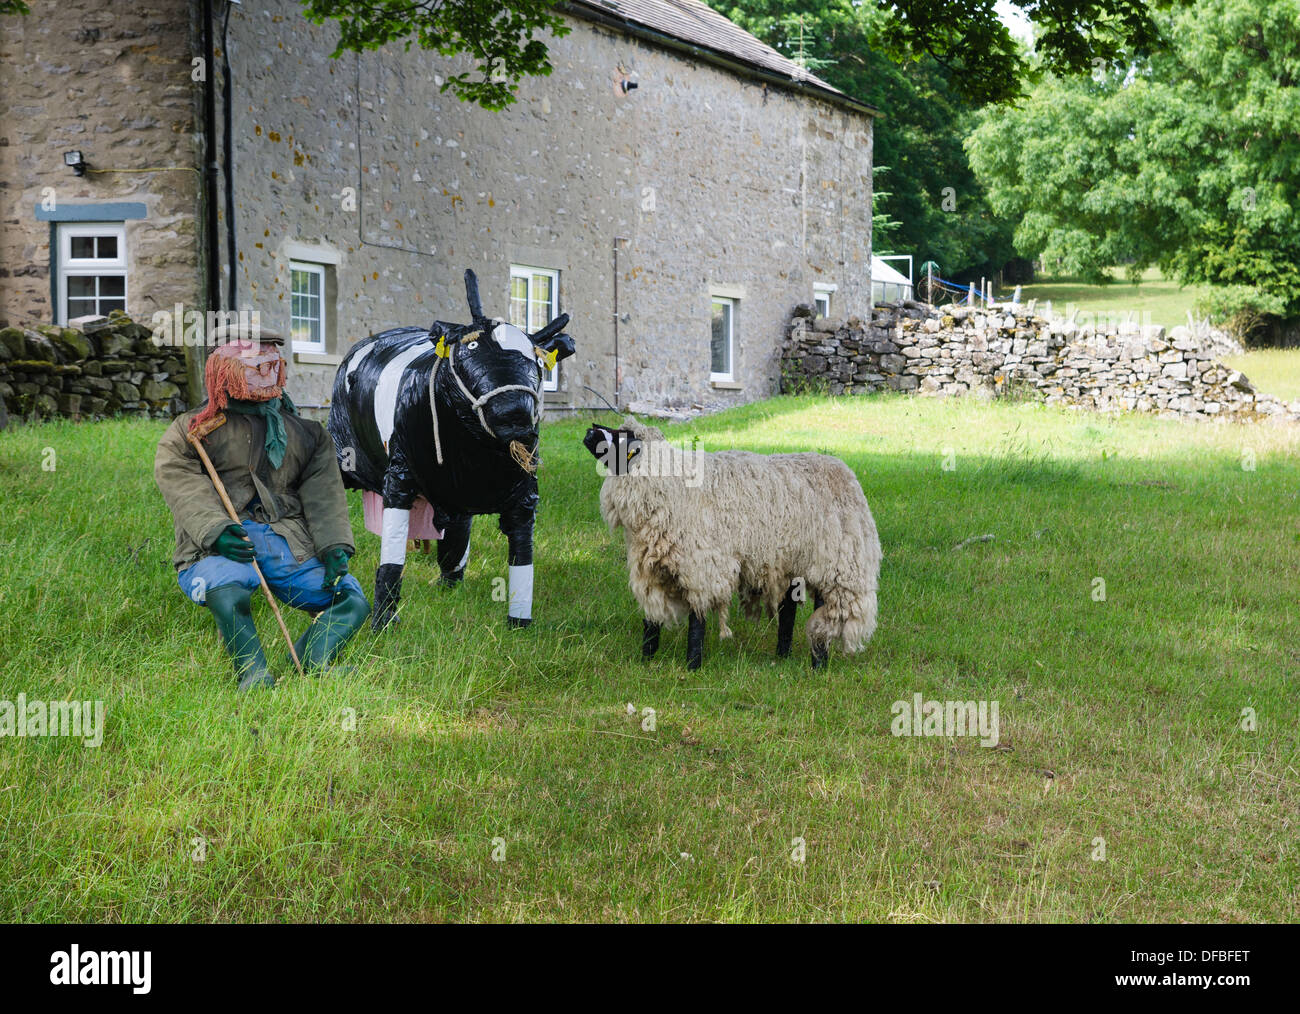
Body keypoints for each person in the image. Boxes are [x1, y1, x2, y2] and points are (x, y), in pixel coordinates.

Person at [154, 326, 369, 690]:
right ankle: (252, 672)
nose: (266, 370)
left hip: (287, 541)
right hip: (220, 542)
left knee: (350, 597)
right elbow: (180, 480)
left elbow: (324, 495)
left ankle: (314, 659)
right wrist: (216, 530)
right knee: (229, 588)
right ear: (223, 369)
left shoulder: (307, 434)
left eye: (272, 362)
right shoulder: (191, 431)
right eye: (254, 363)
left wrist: (334, 546)